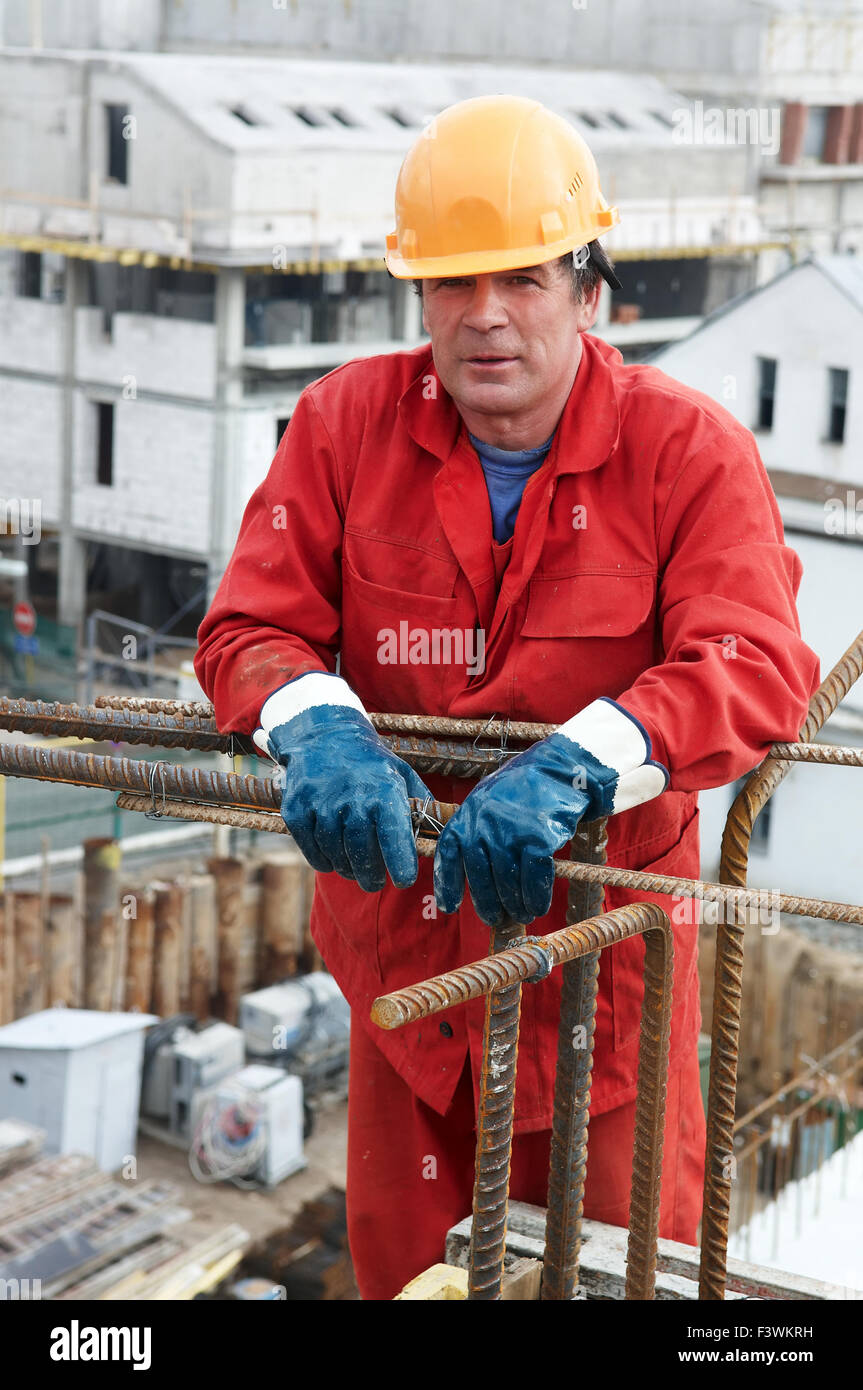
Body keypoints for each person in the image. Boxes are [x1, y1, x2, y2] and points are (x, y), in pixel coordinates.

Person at [194, 95, 820, 1300]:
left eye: (522, 278)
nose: (485, 315)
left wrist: (582, 760)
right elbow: (250, 623)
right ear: (415, 299)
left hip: (600, 991)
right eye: (450, 282)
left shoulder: (687, 452)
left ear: (589, 294)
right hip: (404, 983)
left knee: (614, 1283)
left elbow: (751, 660)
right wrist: (313, 719)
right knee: (406, 1280)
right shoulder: (340, 425)